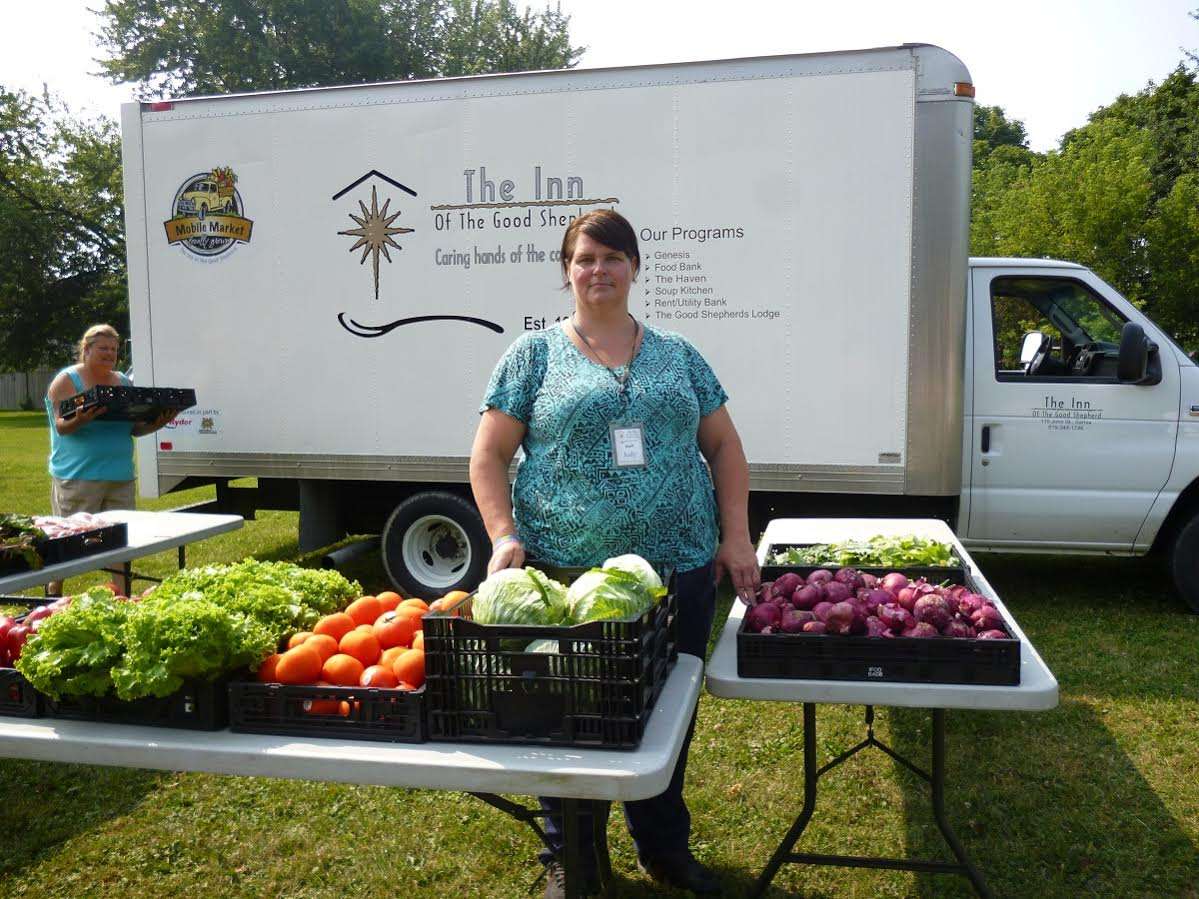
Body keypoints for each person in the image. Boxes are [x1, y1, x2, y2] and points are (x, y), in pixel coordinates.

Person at [469, 209, 759, 897]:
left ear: (634, 267)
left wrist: (736, 534)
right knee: (568, 714)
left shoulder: (678, 354)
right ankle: (570, 854)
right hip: (570, 578)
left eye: (612, 257)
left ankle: (663, 847)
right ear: (567, 270)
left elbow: (723, 445)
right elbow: (488, 454)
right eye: (585, 258)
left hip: (680, 568)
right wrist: (503, 535)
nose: (598, 270)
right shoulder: (533, 355)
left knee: (667, 715)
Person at [43, 324, 175, 596]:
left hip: (120, 476)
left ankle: (122, 596)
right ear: (86, 349)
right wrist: (80, 419)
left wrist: (158, 423)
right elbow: (61, 426)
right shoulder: (67, 380)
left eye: (114, 350)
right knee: (67, 541)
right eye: (103, 348)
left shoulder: (123, 382)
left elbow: (134, 428)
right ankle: (52, 594)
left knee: (120, 542)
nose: (110, 354)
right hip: (79, 477)